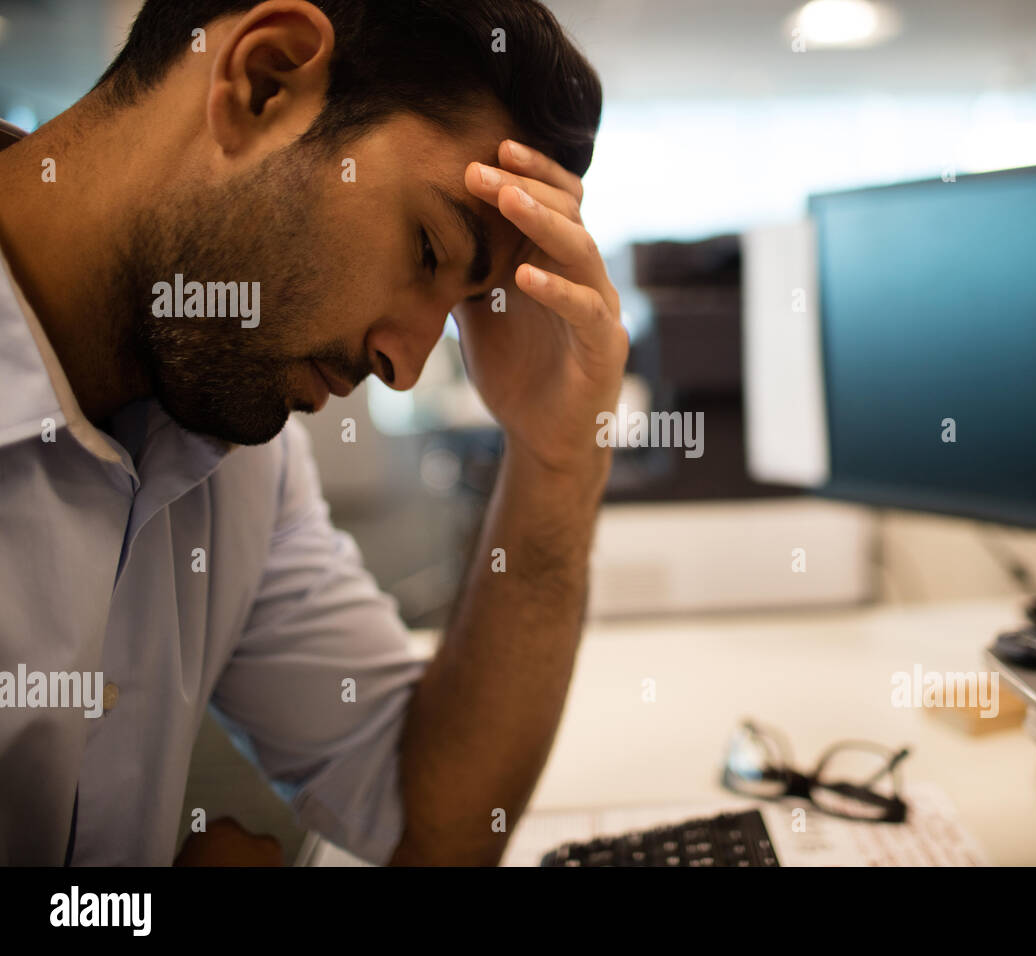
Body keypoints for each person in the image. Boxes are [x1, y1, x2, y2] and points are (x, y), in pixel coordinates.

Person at [0, 0, 625, 866]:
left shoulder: (235, 453)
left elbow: (428, 823)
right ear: (264, 81)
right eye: (427, 248)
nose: (406, 366)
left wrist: (554, 456)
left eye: (461, 306)